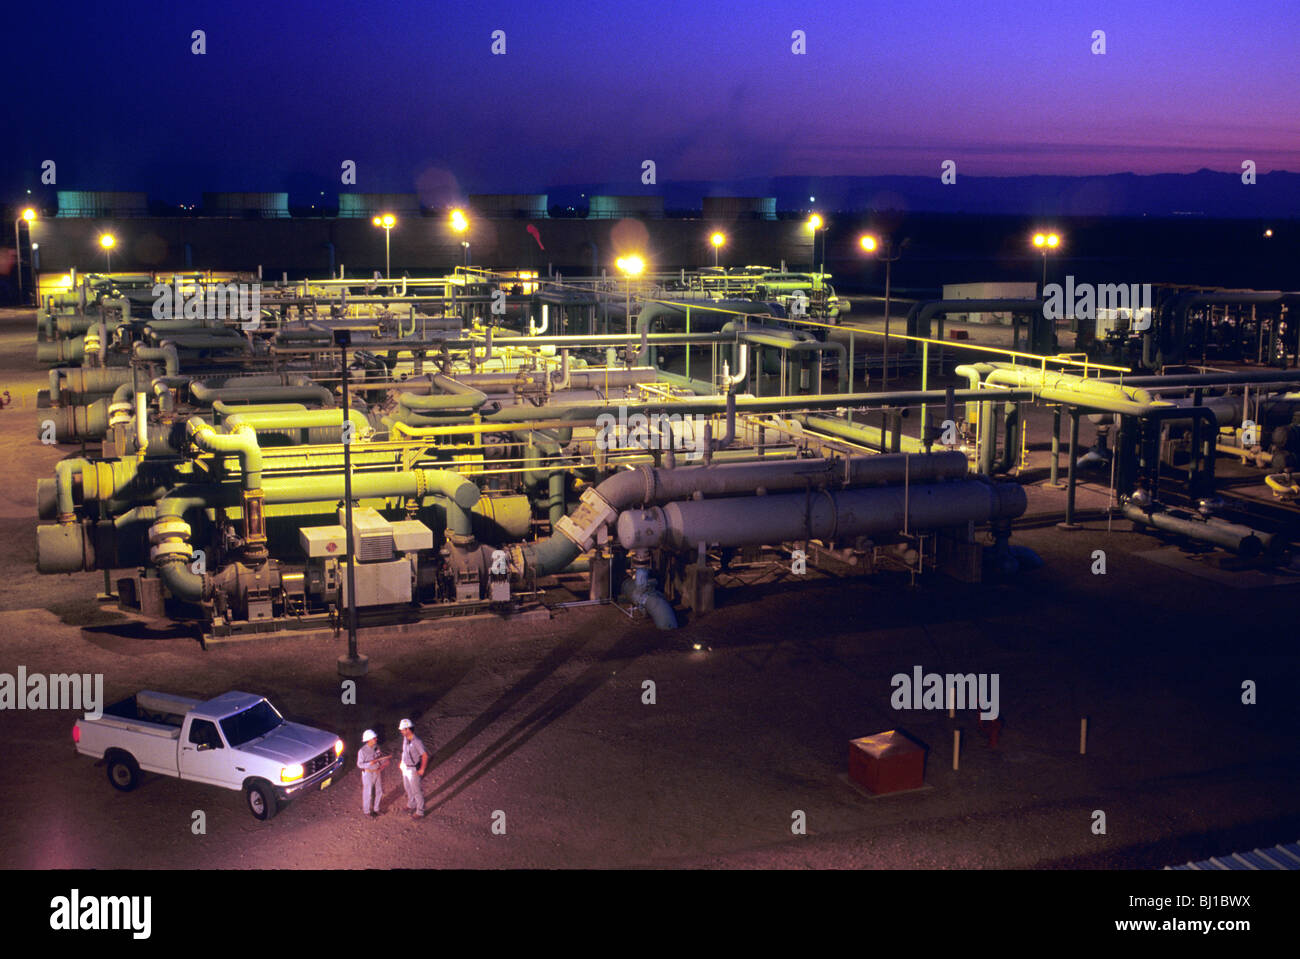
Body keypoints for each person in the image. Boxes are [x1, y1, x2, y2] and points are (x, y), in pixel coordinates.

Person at [397, 718, 428, 819]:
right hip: (405, 768)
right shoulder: (405, 739)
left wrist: (422, 769)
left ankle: (420, 811)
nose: (401, 731)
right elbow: (404, 752)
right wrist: (402, 762)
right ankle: (411, 804)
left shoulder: (417, 741)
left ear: (408, 729)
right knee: (407, 787)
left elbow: (424, 756)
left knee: (416, 790)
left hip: (413, 769)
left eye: (402, 729)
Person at [357, 729, 386, 818]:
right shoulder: (362, 751)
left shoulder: (376, 747)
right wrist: (370, 763)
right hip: (368, 773)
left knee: (379, 791)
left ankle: (376, 809)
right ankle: (367, 811)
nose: (376, 739)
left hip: (377, 771)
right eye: (374, 738)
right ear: (369, 739)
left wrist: (383, 763)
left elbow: (379, 757)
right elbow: (359, 764)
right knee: (368, 792)